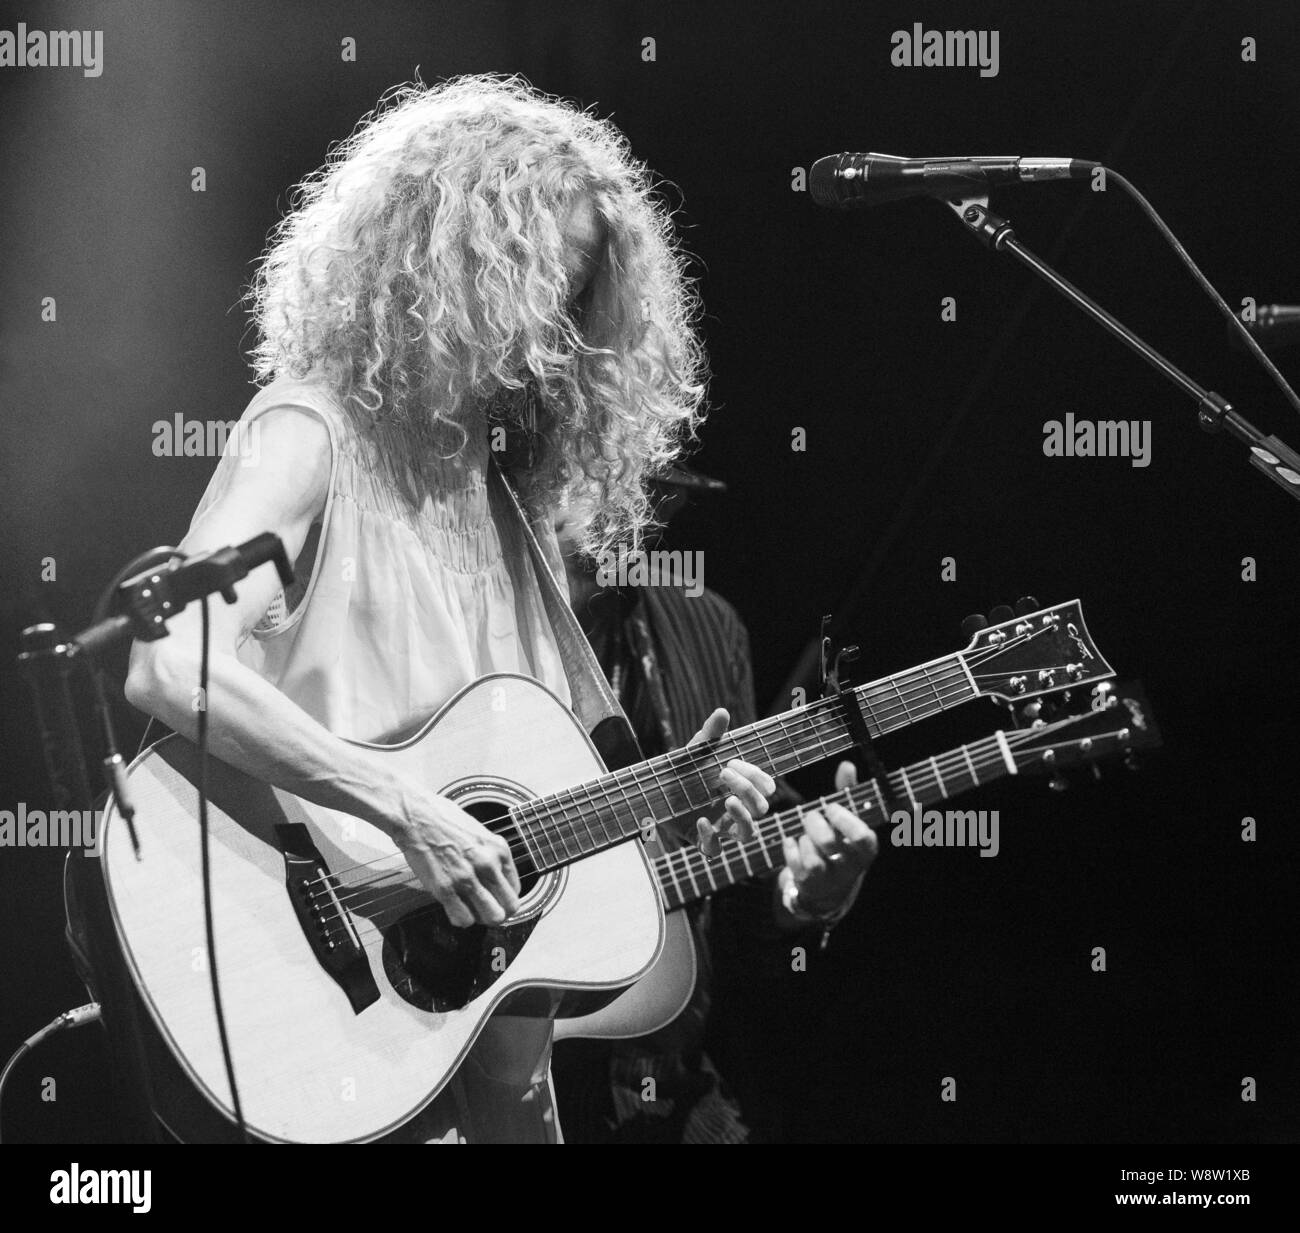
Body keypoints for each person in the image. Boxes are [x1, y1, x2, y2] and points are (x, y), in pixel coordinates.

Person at [550, 470, 878, 1142]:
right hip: (492, 1053)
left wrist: (801, 891)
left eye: (661, 492)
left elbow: (735, 904)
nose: (643, 510)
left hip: (658, 1082)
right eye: (605, 469)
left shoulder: (708, 623)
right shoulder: (466, 611)